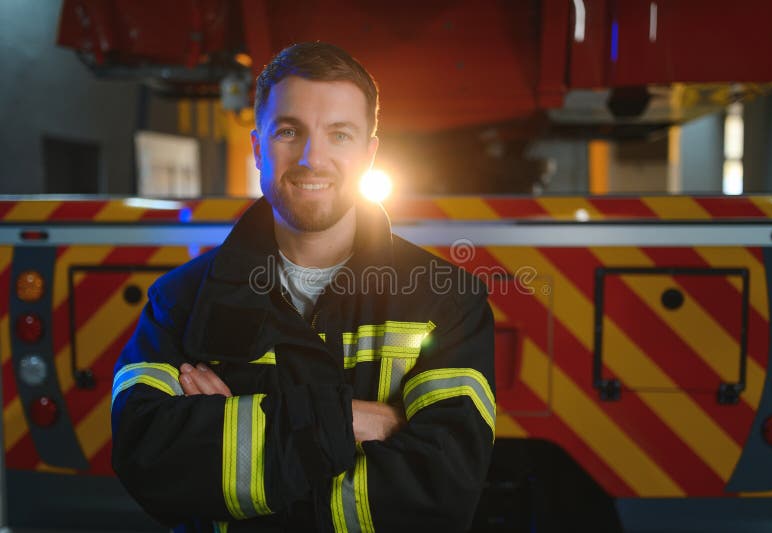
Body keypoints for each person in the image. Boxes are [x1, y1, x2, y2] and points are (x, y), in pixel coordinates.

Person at [111, 41, 496, 532]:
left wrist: (234, 432)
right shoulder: (179, 300)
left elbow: (441, 489)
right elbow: (150, 461)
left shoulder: (445, 298)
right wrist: (354, 422)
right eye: (289, 131)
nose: (313, 158)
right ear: (257, 148)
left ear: (369, 153)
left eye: (339, 135)